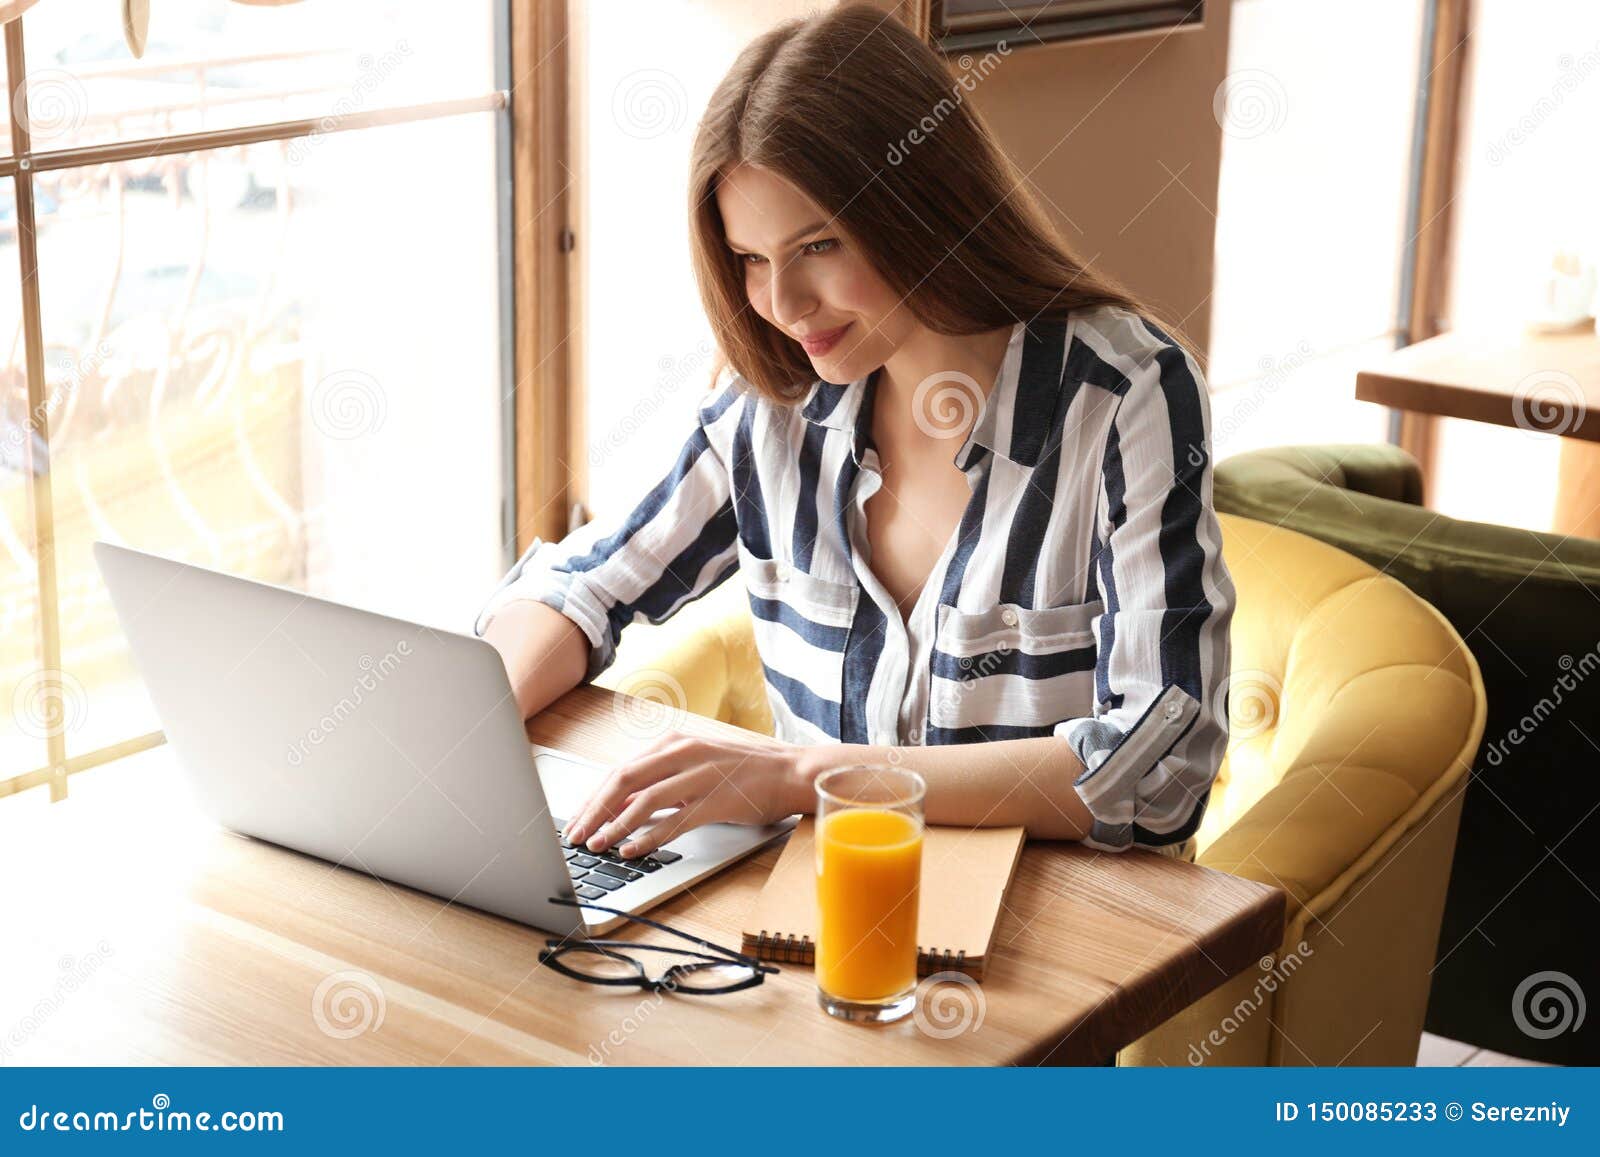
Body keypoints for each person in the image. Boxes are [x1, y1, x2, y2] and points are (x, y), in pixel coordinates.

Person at [477, 4, 1233, 866]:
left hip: (1054, 939)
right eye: (752, 260)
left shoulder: (1125, 394)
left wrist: (805, 776)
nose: (784, 306)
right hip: (820, 920)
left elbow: (1161, 770)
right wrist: (468, 727)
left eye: (819, 244)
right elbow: (584, 587)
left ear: (925, 204)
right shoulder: (774, 408)